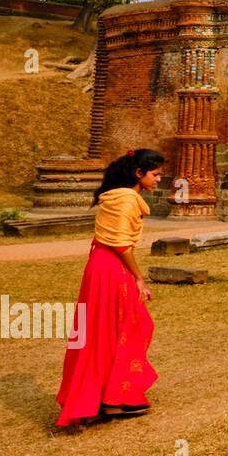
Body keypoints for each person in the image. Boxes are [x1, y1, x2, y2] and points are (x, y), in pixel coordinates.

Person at [55, 148, 164, 427]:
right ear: (139, 173)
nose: (159, 180)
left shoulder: (118, 196)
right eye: (155, 174)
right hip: (110, 267)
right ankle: (108, 398)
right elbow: (120, 244)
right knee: (125, 327)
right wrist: (139, 277)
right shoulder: (126, 200)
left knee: (109, 330)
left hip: (101, 265)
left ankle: (110, 396)